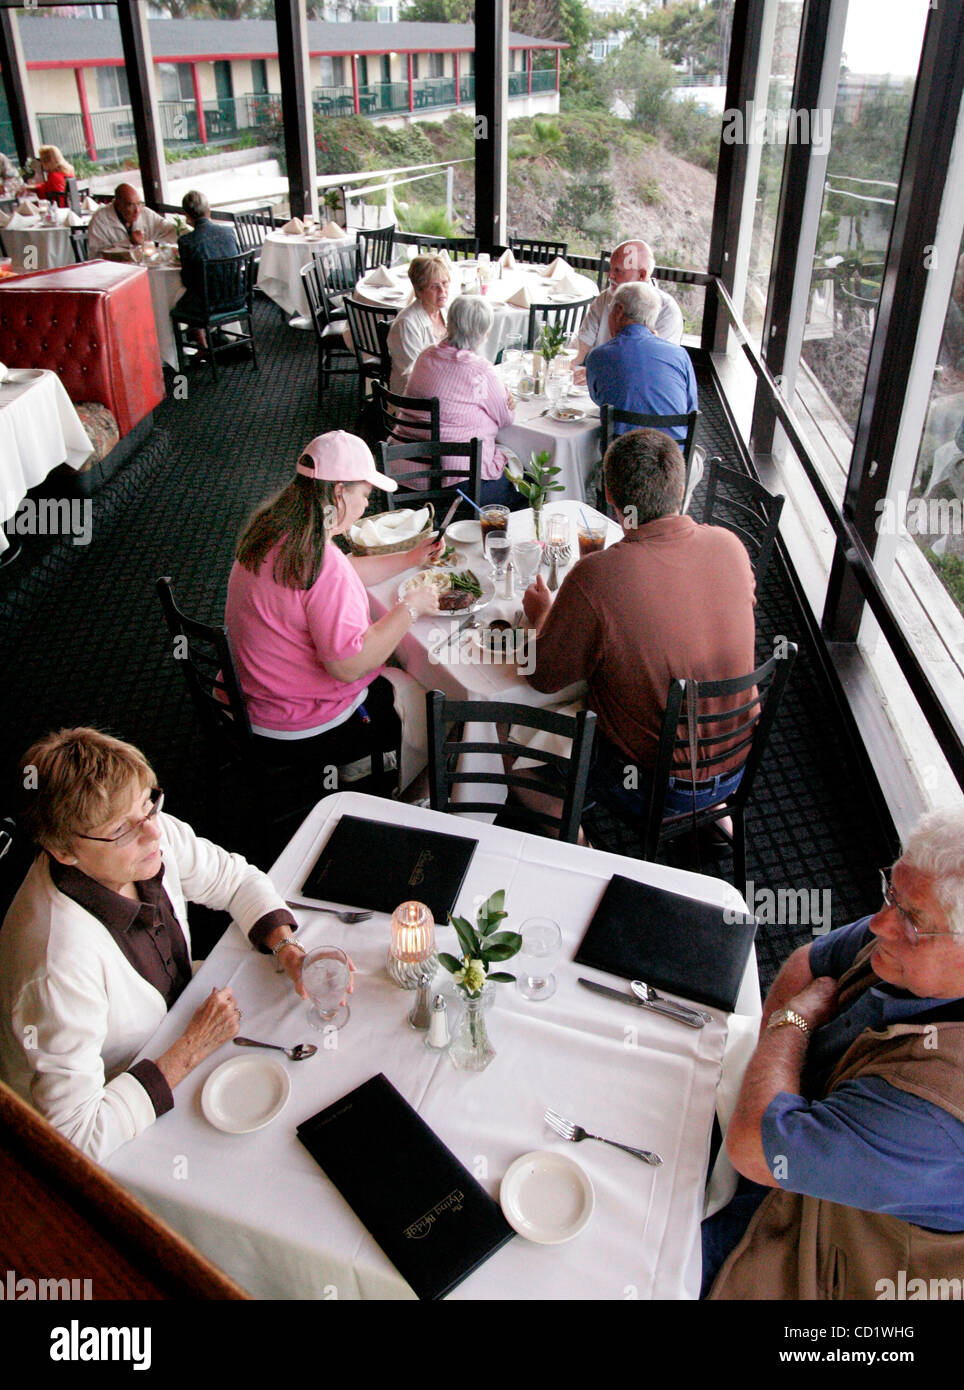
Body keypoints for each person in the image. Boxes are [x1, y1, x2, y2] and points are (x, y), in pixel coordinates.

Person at [0, 727, 306, 1163]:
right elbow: (72, 1138)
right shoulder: (59, 966)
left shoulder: (148, 834)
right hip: (117, 1111)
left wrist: (287, 949)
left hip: (178, 1033)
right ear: (64, 851)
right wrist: (189, 1049)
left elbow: (235, 880)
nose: (151, 832)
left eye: (149, 803)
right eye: (121, 829)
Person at [704, 805, 964, 1300]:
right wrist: (771, 1099)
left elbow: (755, 1151)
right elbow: (807, 961)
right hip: (781, 1144)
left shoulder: (940, 1117)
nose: (880, 924)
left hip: (810, 1241)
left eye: (910, 919)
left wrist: (792, 1026)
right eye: (891, 892)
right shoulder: (911, 935)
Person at [523, 428, 755, 818]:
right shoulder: (730, 545)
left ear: (612, 501)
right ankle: (712, 816)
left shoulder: (596, 575)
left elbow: (541, 677)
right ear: (680, 489)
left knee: (509, 749)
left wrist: (540, 616)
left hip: (648, 785)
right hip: (737, 767)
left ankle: (579, 848)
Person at [225, 431, 443, 797]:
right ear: (339, 492)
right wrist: (412, 608)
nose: (365, 505)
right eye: (364, 495)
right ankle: (409, 797)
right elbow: (348, 665)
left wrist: (410, 559)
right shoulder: (321, 562)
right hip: (299, 730)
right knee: (433, 702)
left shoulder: (273, 529)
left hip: (250, 705)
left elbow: (342, 571)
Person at [404, 293, 519, 508]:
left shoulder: (425, 356)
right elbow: (506, 418)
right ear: (484, 333)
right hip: (457, 483)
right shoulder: (480, 370)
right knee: (529, 487)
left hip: (408, 472)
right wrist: (505, 396)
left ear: (450, 323)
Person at [585, 281, 698, 445]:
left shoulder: (598, 356)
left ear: (618, 311)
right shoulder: (680, 355)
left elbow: (600, 401)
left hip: (622, 463)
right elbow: (691, 409)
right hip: (674, 462)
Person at [574, 238, 683, 366]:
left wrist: (598, 373)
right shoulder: (605, 298)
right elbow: (582, 346)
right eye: (611, 269)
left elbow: (653, 365)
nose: (610, 276)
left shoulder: (667, 311)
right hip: (598, 374)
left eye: (618, 270)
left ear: (642, 275)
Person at [386, 253, 450, 395]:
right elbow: (414, 375)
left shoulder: (446, 311)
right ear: (419, 291)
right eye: (434, 286)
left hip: (444, 387)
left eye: (445, 283)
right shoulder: (407, 324)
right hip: (415, 399)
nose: (442, 291)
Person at [87, 183, 177, 256]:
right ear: (118, 204)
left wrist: (184, 229)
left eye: (139, 204)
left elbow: (169, 230)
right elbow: (97, 256)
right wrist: (128, 242)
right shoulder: (100, 220)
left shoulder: (145, 213)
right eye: (130, 205)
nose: (137, 210)